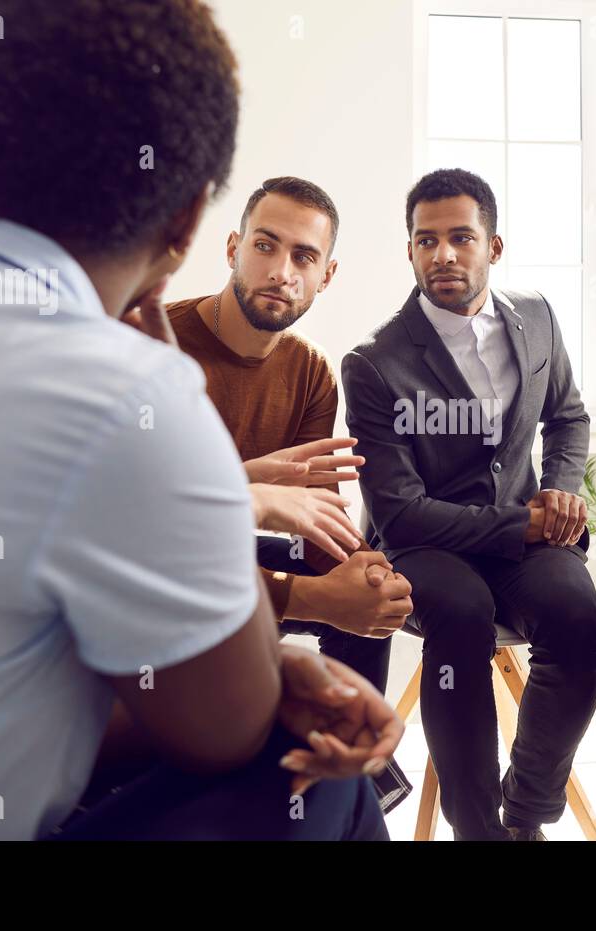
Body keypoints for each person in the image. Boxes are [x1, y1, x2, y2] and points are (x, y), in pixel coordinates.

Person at [0, 0, 396, 841]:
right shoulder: (134, 396)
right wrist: (278, 659)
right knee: (313, 780)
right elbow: (223, 728)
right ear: (196, 226)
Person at [343, 168, 596, 840]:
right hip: (429, 545)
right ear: (409, 251)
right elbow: (399, 510)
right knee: (461, 615)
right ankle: (475, 827)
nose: (444, 254)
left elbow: (568, 417)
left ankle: (526, 813)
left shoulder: (538, 316)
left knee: (577, 616)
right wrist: (526, 522)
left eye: (461, 237)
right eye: (426, 240)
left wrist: (563, 492)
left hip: (525, 539)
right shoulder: (373, 361)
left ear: (495, 246)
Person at [165, 175, 413, 810]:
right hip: (166, 559)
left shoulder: (309, 372)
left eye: (303, 257)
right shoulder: (157, 344)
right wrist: (248, 477)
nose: (281, 271)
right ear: (232, 247)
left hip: (241, 548)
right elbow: (143, 517)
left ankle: (346, 769)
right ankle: (339, 791)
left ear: (326, 276)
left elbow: (315, 520)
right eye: (265, 246)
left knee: (363, 591)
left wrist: (364, 574)